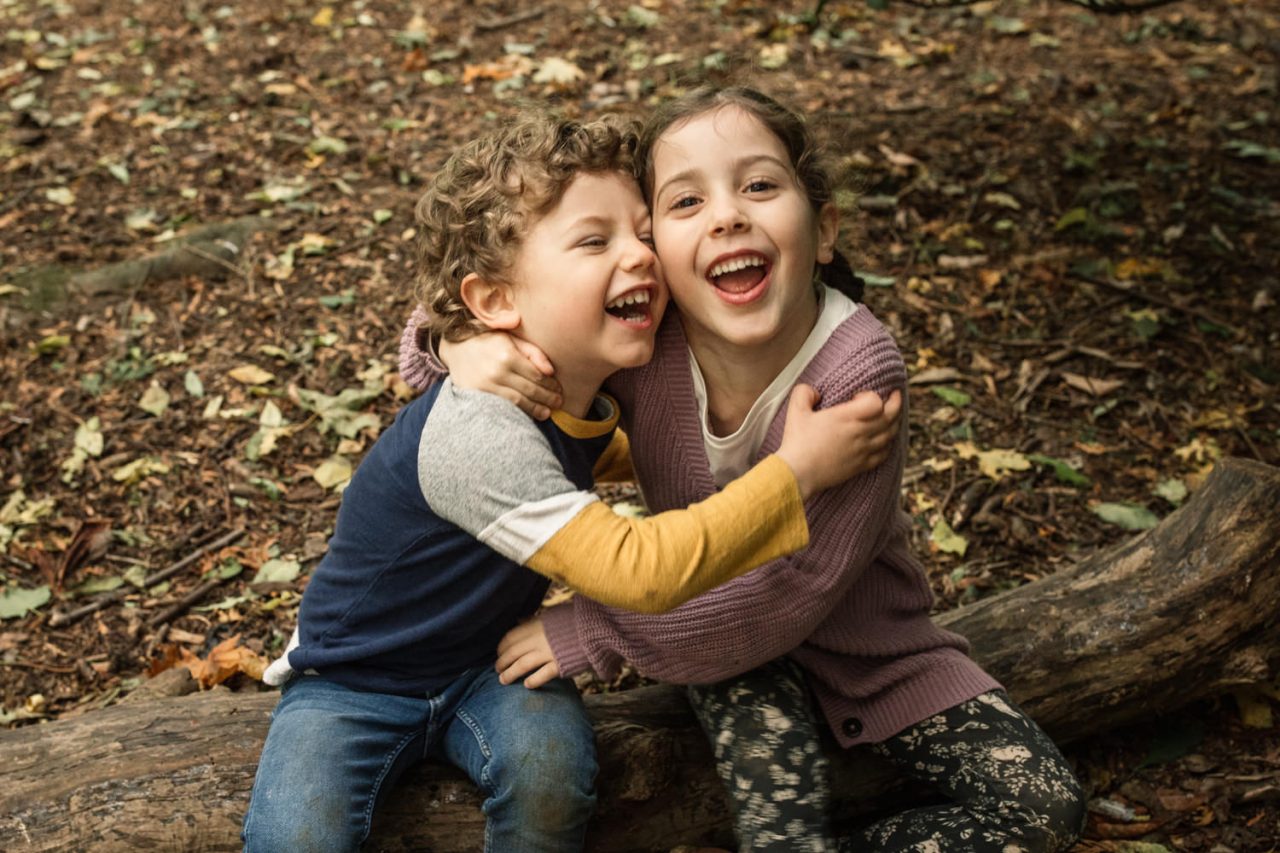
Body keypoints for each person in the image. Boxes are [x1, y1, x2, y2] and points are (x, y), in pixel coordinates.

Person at [400, 87, 1087, 852]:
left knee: (1042, 804)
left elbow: (790, 589)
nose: (728, 214)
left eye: (759, 185)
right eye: (687, 201)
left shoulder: (858, 368)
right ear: (654, 246)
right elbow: (458, 334)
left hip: (870, 653)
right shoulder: (646, 334)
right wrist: (461, 348)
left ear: (823, 226)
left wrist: (598, 628)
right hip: (717, 644)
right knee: (779, 825)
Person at [242, 112, 900, 853]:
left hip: (488, 660)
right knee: (295, 835)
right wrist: (796, 470)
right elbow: (638, 570)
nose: (642, 258)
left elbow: (617, 448)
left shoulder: (585, 374)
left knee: (555, 777)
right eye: (595, 241)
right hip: (353, 677)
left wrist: (451, 336)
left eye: (644, 234)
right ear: (496, 303)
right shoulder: (480, 433)